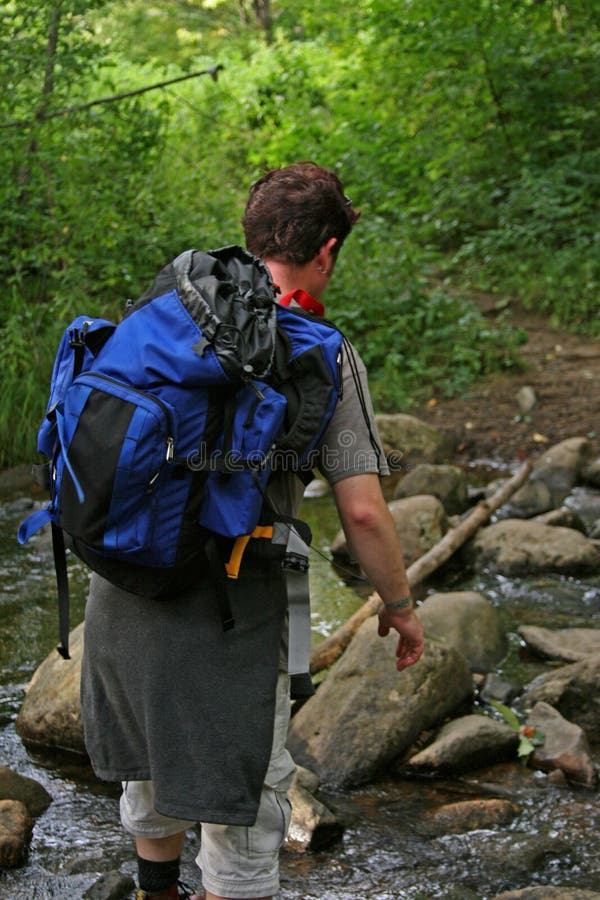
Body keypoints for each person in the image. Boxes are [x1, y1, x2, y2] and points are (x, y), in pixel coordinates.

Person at [80, 161, 424, 900]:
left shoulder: (165, 309)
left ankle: (155, 890)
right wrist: (400, 606)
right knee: (242, 808)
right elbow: (363, 510)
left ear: (252, 234)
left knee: (149, 772)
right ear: (326, 250)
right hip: (229, 611)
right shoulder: (322, 351)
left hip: (122, 589)